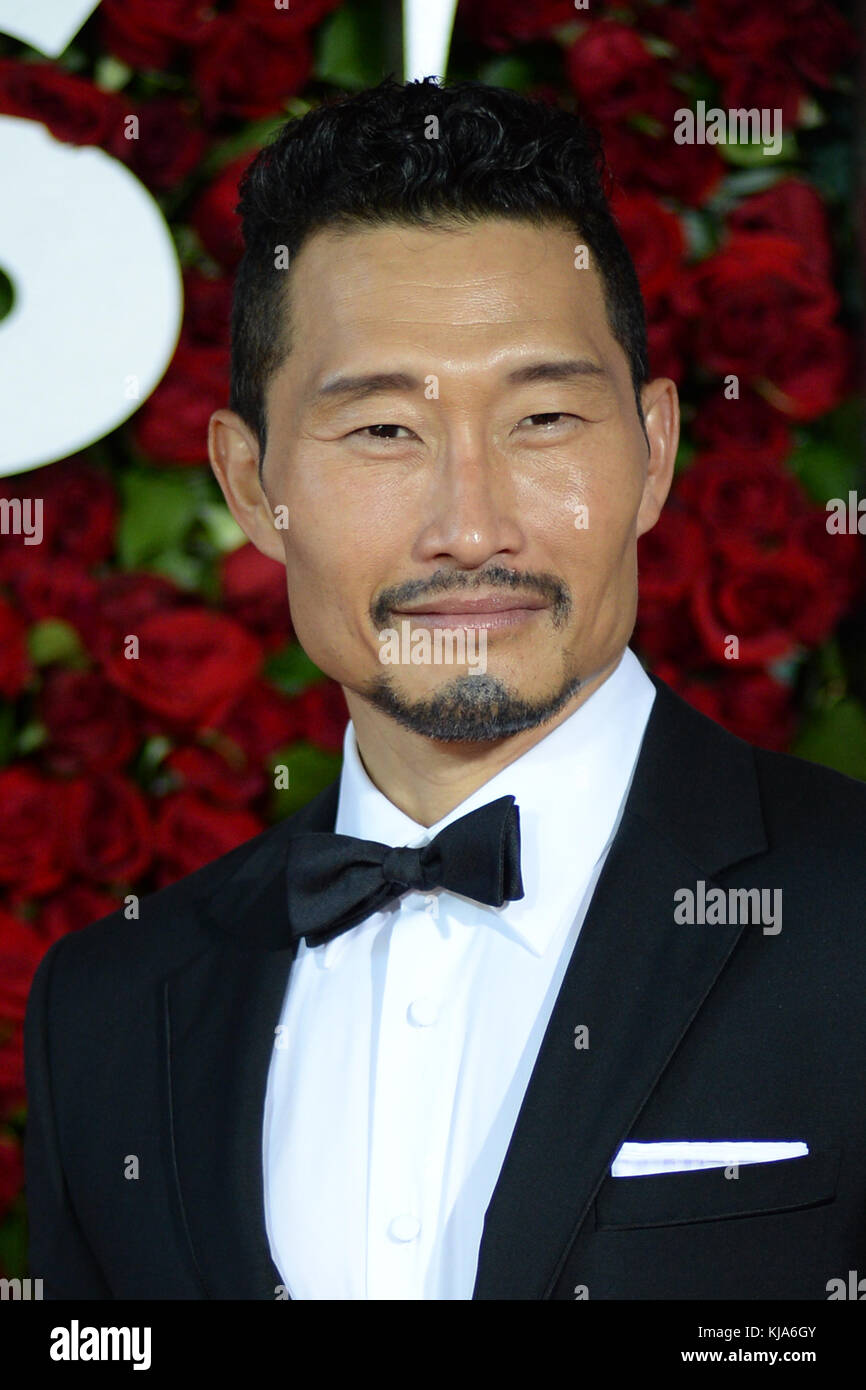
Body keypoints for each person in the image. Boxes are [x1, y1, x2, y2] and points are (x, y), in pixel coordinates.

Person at [24, 77, 866, 1301]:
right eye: (381, 433)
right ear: (254, 486)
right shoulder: (105, 1008)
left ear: (651, 454)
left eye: (540, 419)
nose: (471, 527)